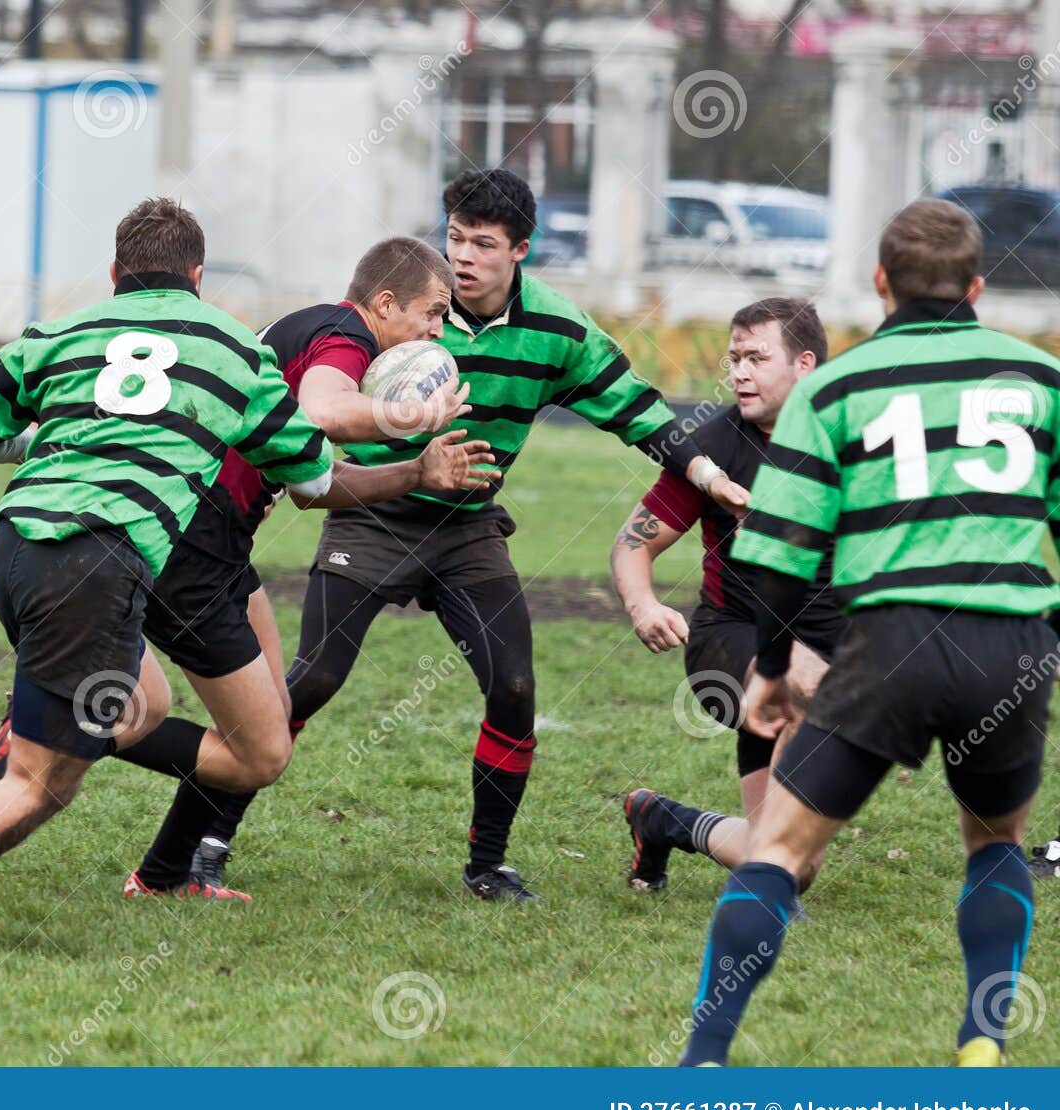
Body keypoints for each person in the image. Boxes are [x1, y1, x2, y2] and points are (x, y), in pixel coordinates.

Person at [0, 198, 369, 952]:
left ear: (114, 274)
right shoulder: (234, 349)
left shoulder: (60, 331)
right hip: (98, 563)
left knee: (136, 708)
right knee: (41, 783)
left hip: (16, 549)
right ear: (198, 277)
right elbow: (314, 473)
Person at [172, 168, 748, 903]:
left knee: (513, 685)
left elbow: (639, 412)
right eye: (454, 237)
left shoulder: (558, 332)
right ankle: (209, 840)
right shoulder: (399, 314)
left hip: (468, 526)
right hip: (373, 509)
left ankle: (487, 864)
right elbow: (326, 396)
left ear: (522, 251)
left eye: (482, 243)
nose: (464, 255)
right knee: (314, 675)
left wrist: (701, 469)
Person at [0, 237, 493, 908]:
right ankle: (28, 762)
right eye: (433, 313)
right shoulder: (343, 334)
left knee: (270, 716)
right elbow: (323, 410)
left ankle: (161, 871)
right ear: (384, 303)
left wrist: (415, 473)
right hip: (190, 544)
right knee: (254, 748)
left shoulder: (318, 336)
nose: (439, 332)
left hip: (222, 545)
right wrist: (408, 417)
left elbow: (314, 486)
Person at [681, 199, 1059, 1067]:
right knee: (995, 844)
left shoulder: (835, 388)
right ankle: (980, 1039)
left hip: (887, 642)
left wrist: (770, 669)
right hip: (1007, 646)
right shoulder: (1040, 378)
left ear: (881, 282)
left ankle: (703, 1059)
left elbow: (778, 551)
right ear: (976, 286)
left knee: (776, 848)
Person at [611, 298, 840, 892]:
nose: (738, 372)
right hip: (729, 642)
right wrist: (644, 605)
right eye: (733, 358)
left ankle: (661, 820)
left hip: (830, 652)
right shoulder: (711, 448)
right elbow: (632, 544)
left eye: (756, 358)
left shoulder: (855, 439)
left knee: (791, 864)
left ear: (805, 365)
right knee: (808, 683)